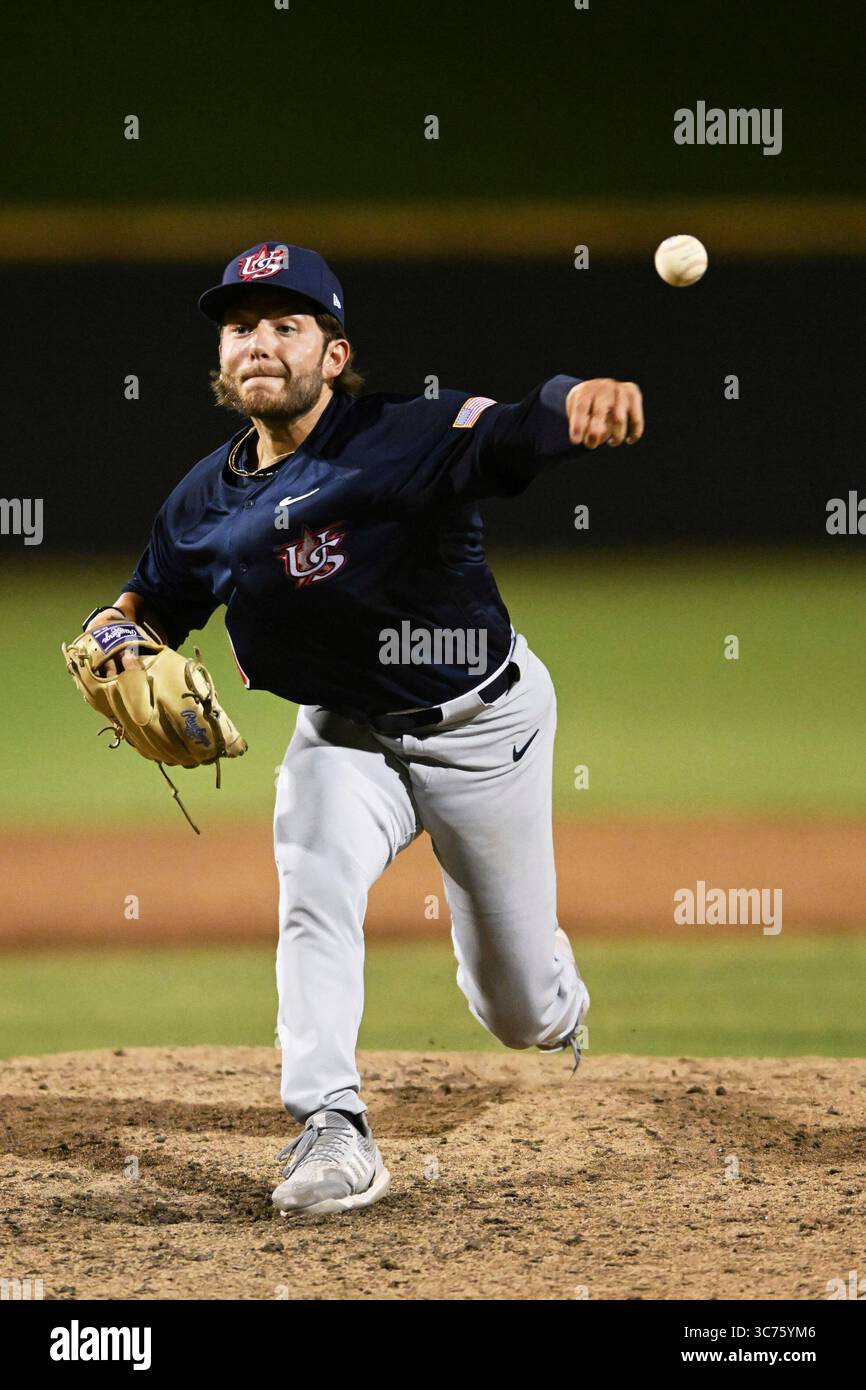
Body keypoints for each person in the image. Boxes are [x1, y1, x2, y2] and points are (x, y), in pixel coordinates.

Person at [86, 240, 644, 1216]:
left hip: (483, 728)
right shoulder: (199, 502)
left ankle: (556, 994)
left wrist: (575, 402)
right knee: (313, 883)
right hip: (342, 738)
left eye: (285, 325)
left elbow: (511, 430)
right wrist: (112, 634)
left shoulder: (406, 431)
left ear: (331, 355)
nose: (259, 342)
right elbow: (149, 604)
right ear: (222, 360)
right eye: (241, 327)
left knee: (517, 1010)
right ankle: (330, 1124)